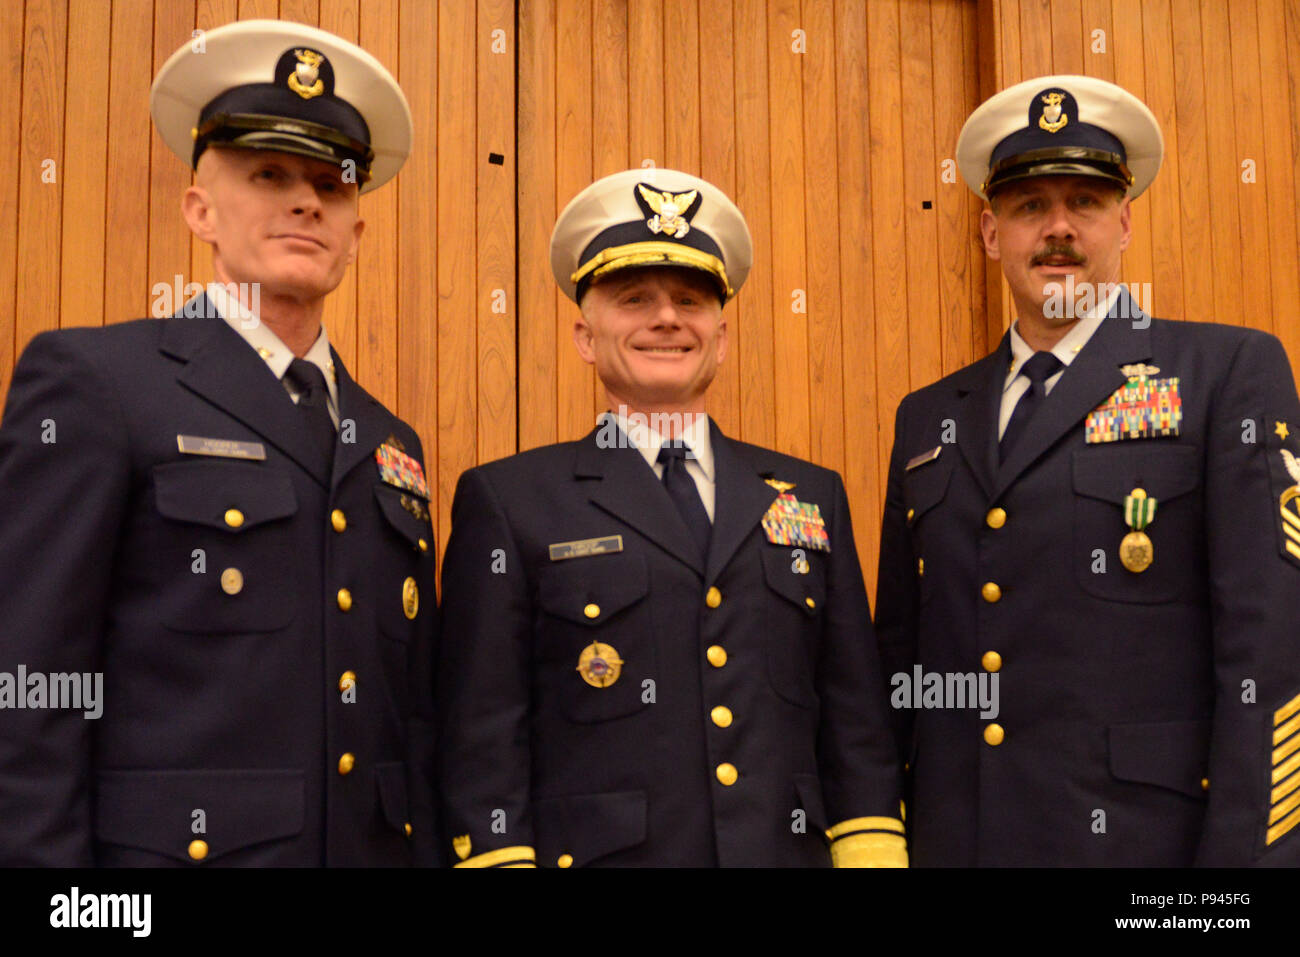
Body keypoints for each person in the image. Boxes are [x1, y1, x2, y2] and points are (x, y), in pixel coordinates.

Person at [0, 20, 437, 866]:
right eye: (268, 174)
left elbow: (409, 717)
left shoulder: (392, 443)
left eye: (332, 185)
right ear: (200, 208)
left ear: (356, 234)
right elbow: (30, 682)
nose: (307, 200)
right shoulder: (97, 381)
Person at [874, 74, 1300, 865]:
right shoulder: (927, 417)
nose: (1059, 229)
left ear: (1126, 222)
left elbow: (1272, 654)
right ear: (990, 232)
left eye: (1086, 203)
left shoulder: (1224, 373)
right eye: (1031, 206)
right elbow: (900, 663)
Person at [436, 168, 905, 867]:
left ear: (720, 337)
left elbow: (855, 724)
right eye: (634, 299)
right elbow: (483, 735)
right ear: (584, 336)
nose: (666, 318)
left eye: (690, 300)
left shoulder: (808, 495)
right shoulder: (511, 501)